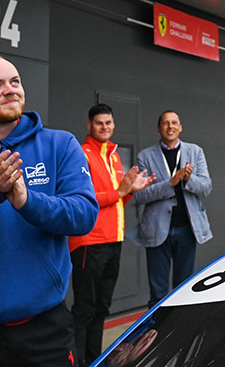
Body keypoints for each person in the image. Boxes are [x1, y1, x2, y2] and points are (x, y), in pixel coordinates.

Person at [0, 50, 98, 366]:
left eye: (15, 81)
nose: (10, 89)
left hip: (45, 328)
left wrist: (26, 201)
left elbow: (83, 215)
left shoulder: (60, 144)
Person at [69, 104, 155, 366]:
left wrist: (129, 190)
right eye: (99, 123)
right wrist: (119, 192)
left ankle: (94, 360)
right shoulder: (81, 155)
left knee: (101, 308)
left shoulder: (114, 157)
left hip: (113, 241)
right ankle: (77, 361)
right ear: (89, 125)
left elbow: (116, 201)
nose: (104, 127)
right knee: (84, 310)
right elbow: (80, 199)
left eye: (108, 123)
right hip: (88, 242)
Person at [130, 111, 213, 308]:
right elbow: (139, 196)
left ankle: (179, 331)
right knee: (158, 292)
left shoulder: (195, 152)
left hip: (187, 228)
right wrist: (170, 183)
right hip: (157, 230)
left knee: (184, 288)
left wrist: (187, 179)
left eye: (174, 122)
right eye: (165, 123)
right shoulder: (145, 157)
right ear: (159, 128)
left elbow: (207, 187)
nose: (170, 127)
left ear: (180, 127)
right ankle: (155, 332)